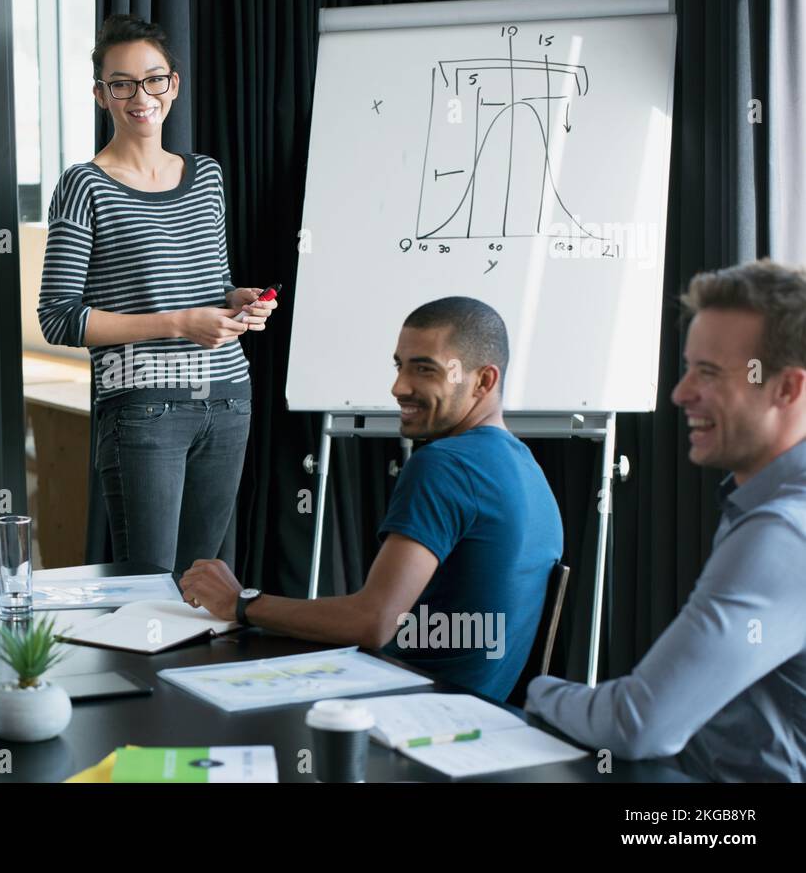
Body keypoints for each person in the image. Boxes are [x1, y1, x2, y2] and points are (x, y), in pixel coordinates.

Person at [179, 297, 563, 701]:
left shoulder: (446, 466)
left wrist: (239, 602)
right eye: (400, 366)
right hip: (473, 719)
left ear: (483, 381)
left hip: (409, 718)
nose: (399, 387)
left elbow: (375, 622)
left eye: (424, 369)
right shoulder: (526, 468)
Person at [526, 261, 806, 782]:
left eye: (709, 373)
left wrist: (538, 691)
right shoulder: (768, 503)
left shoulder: (783, 532)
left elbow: (638, 723)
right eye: (687, 367)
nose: (679, 394)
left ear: (786, 389)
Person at [37, 13, 276, 574]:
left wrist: (237, 300)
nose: (139, 96)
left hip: (229, 398)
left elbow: (209, 285)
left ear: (174, 83)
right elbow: (60, 318)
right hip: (143, 409)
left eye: (153, 79)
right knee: (148, 591)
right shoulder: (83, 185)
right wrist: (178, 323)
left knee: (202, 587)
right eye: (121, 83)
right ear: (101, 94)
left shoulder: (207, 175)